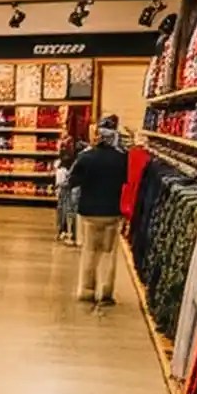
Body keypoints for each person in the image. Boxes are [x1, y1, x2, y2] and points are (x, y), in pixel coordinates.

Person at [68, 117, 128, 305]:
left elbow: (73, 181)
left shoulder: (86, 157)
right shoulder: (122, 158)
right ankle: (105, 292)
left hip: (89, 212)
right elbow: (126, 181)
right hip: (112, 211)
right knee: (109, 253)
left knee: (89, 250)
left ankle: (86, 291)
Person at [54, 143, 79, 245]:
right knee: (70, 214)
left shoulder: (60, 169)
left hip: (64, 196)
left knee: (63, 214)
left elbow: (59, 184)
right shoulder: (72, 168)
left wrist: (58, 189)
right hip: (71, 196)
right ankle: (70, 233)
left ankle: (63, 231)